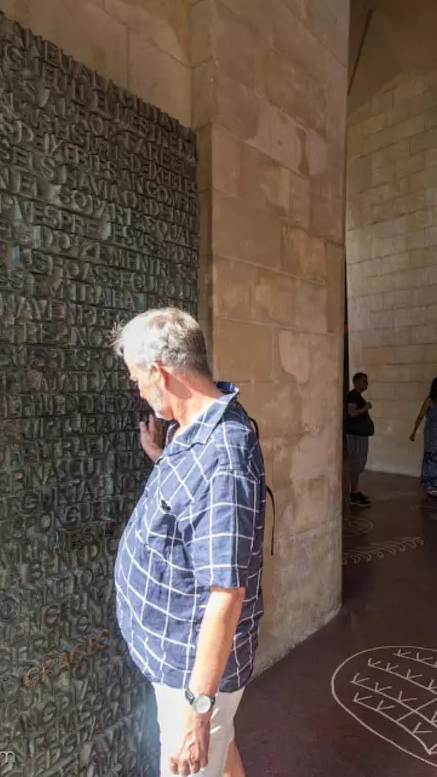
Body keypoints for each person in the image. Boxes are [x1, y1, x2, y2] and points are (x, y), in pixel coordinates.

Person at [112, 308, 265, 777]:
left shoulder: (221, 456)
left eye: (137, 377)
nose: (137, 388)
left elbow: (226, 593)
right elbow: (197, 507)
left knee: (200, 759)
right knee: (224, 752)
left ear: (161, 372)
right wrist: (163, 458)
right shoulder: (196, 426)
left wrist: (198, 712)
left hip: (192, 676)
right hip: (180, 660)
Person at [345, 372, 374, 507]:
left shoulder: (357, 396)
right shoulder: (353, 395)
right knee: (356, 463)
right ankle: (354, 494)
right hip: (355, 435)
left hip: (359, 434)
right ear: (356, 382)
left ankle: (355, 491)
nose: (366, 383)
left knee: (358, 463)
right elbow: (351, 413)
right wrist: (365, 408)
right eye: (364, 381)